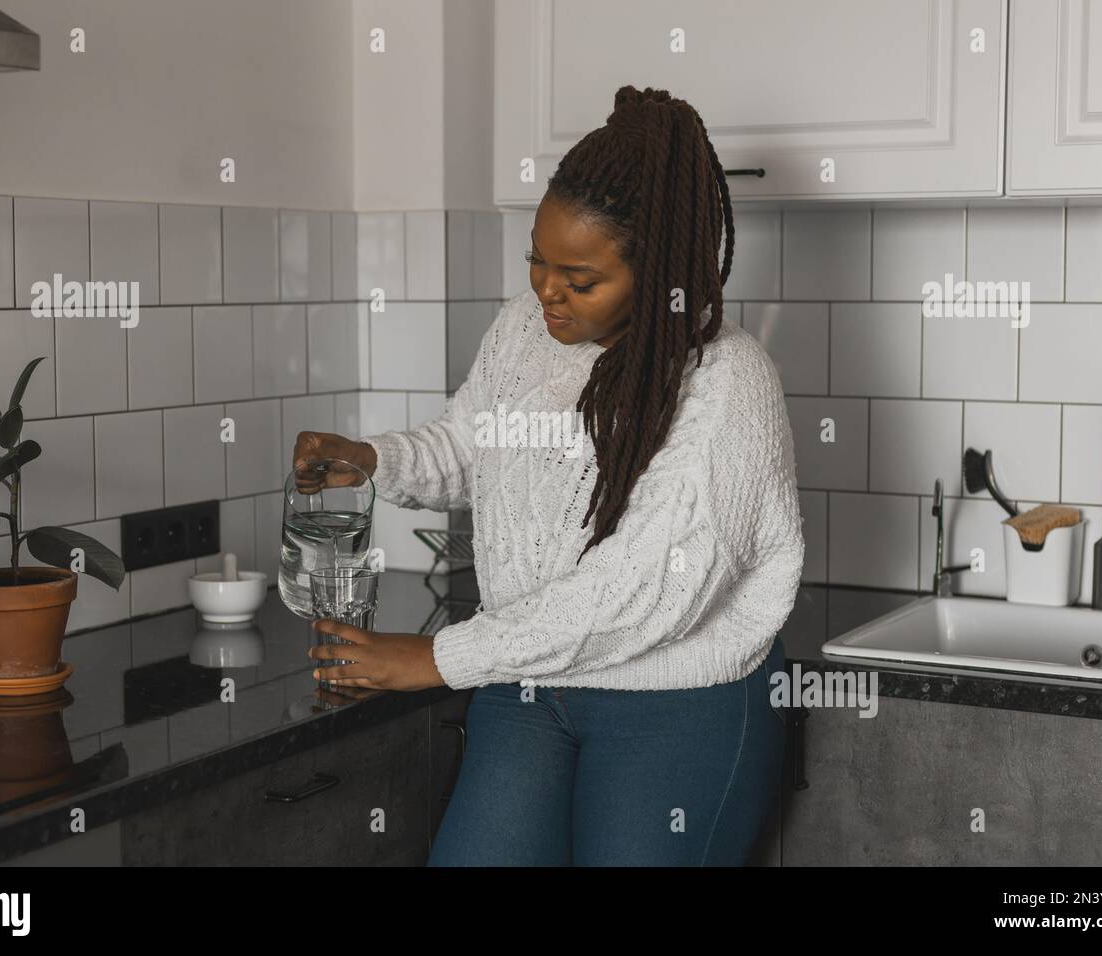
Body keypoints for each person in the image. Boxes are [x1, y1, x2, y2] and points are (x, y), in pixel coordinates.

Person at [291, 85, 804, 866]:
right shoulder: (526, 332)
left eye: (580, 278)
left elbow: (643, 585)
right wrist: (374, 459)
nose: (545, 293)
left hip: (674, 703)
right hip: (529, 688)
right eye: (536, 259)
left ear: (658, 266)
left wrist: (434, 659)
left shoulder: (728, 384)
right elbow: (476, 444)